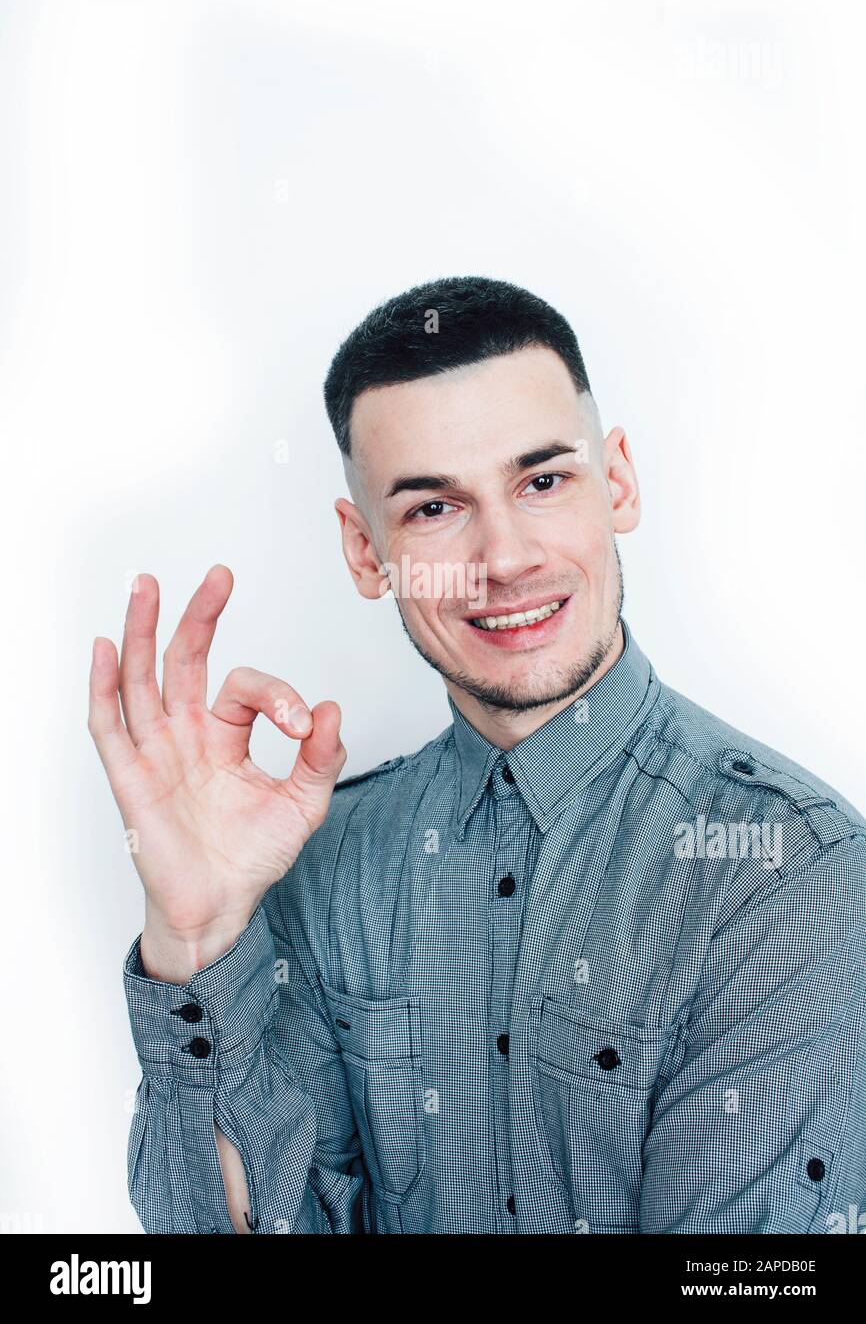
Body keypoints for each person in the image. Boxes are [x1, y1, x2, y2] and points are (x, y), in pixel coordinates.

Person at [89, 276, 866, 1234]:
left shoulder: (791, 869)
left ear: (618, 482)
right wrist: (195, 939)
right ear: (365, 551)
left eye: (543, 482)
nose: (504, 560)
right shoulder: (317, 861)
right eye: (432, 508)